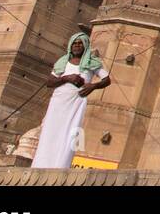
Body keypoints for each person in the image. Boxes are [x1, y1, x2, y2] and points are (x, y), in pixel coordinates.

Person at [32, 32, 110, 169]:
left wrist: (93, 86)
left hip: (76, 103)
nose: (77, 45)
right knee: (50, 133)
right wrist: (67, 78)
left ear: (85, 45)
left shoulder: (92, 62)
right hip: (58, 102)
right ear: (71, 45)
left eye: (80, 43)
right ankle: (40, 165)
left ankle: (60, 167)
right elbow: (49, 82)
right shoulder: (63, 61)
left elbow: (107, 80)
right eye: (75, 43)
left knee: (69, 135)